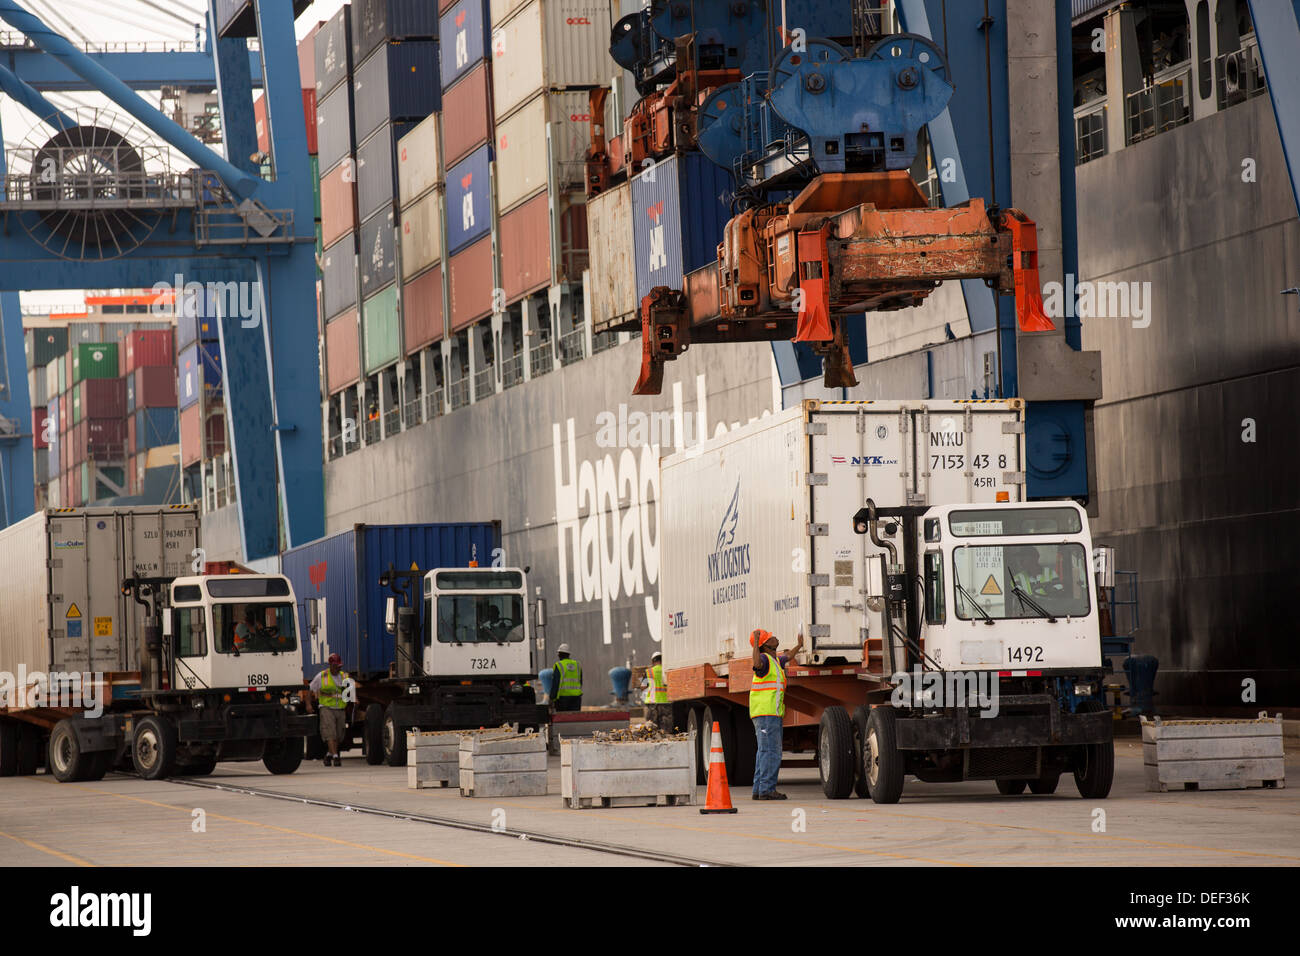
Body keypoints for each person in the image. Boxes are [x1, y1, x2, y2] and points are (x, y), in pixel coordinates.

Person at [749, 628, 803, 800]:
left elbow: (789, 656)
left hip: (769, 713)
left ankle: (759, 789)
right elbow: (756, 665)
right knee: (771, 751)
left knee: (764, 751)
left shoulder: (775, 660)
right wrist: (756, 645)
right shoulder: (764, 659)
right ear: (765, 644)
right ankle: (766, 789)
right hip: (766, 713)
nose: (774, 637)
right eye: (769, 637)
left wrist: (799, 645)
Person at [308, 653, 353, 766]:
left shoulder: (343, 676)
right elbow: (310, 690)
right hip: (326, 708)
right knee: (330, 733)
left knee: (339, 735)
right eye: (337, 666)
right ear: (331, 665)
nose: (339, 668)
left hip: (340, 708)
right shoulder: (322, 676)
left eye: (340, 666)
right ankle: (335, 756)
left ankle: (328, 755)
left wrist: (354, 699)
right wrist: (308, 704)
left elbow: (350, 691)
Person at [644, 651, 672, 729]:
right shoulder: (667, 671)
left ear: (653, 661)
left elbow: (643, 686)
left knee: (651, 727)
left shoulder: (649, 671)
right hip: (667, 703)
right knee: (666, 727)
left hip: (653, 704)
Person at [551, 644, 582, 711]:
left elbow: (556, 683)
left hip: (562, 698)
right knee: (575, 719)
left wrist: (552, 698)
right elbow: (580, 681)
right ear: (568, 654)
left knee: (562, 719)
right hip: (576, 698)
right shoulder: (577, 664)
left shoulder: (558, 665)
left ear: (559, 654)